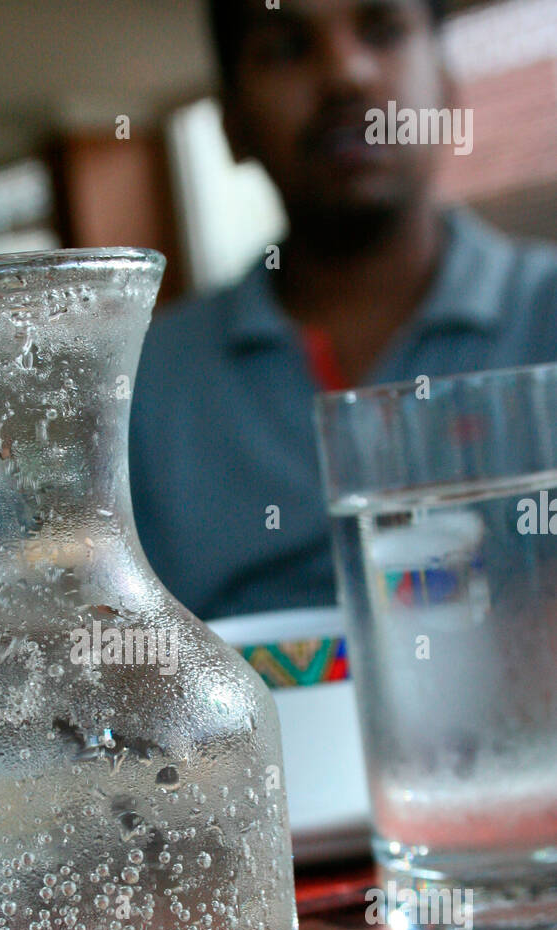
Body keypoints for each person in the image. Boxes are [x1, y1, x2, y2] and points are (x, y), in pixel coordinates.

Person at [128, 0, 557, 620]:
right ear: (232, 125)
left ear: (449, 86)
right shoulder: (143, 388)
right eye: (285, 48)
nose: (346, 74)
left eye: (382, 30)